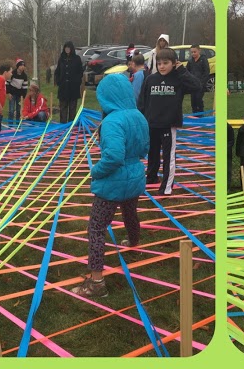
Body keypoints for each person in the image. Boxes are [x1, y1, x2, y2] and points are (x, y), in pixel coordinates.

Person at [72, 74, 147, 298]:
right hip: (134, 177)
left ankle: (96, 282)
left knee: (96, 228)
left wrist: (95, 171)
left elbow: (114, 157)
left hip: (114, 182)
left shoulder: (113, 121)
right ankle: (133, 242)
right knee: (130, 211)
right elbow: (145, 148)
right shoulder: (139, 116)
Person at [138, 48, 202, 195]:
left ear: (174, 63)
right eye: (159, 63)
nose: (162, 66)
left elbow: (197, 86)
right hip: (151, 124)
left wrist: (182, 71)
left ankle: (166, 187)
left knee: (168, 157)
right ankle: (151, 177)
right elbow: (143, 101)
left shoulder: (179, 79)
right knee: (152, 154)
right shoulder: (150, 79)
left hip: (169, 125)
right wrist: (142, 119)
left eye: (165, 63)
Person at [54, 41, 85, 123]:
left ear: (71, 49)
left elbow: (80, 72)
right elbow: (57, 71)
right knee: (63, 108)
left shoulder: (76, 59)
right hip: (63, 88)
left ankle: (71, 126)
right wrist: (58, 81)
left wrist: (77, 81)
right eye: (66, 48)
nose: (67, 50)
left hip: (73, 88)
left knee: (72, 108)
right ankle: (63, 126)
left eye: (69, 48)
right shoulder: (61, 58)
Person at [187, 45, 209, 113]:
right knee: (193, 101)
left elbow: (206, 72)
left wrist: (202, 83)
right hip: (193, 85)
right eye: (192, 52)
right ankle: (194, 114)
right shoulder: (190, 61)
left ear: (199, 51)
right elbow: (187, 71)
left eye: (194, 52)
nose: (193, 53)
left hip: (201, 85)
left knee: (198, 99)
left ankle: (201, 114)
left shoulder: (203, 60)